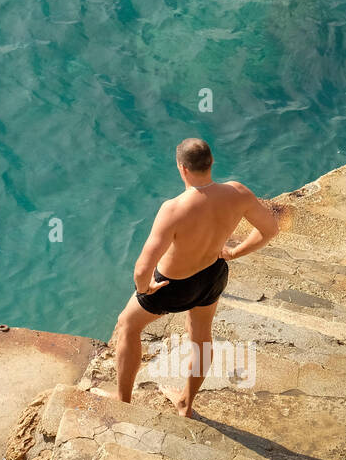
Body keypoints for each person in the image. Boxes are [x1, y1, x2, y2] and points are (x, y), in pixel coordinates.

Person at [112, 139, 280, 417]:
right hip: (212, 275)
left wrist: (145, 288)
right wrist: (234, 253)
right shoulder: (237, 192)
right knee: (201, 336)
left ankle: (123, 403)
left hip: (171, 286)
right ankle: (186, 404)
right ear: (212, 163)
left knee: (127, 325)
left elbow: (142, 268)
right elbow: (270, 229)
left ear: (182, 168)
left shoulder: (174, 208)